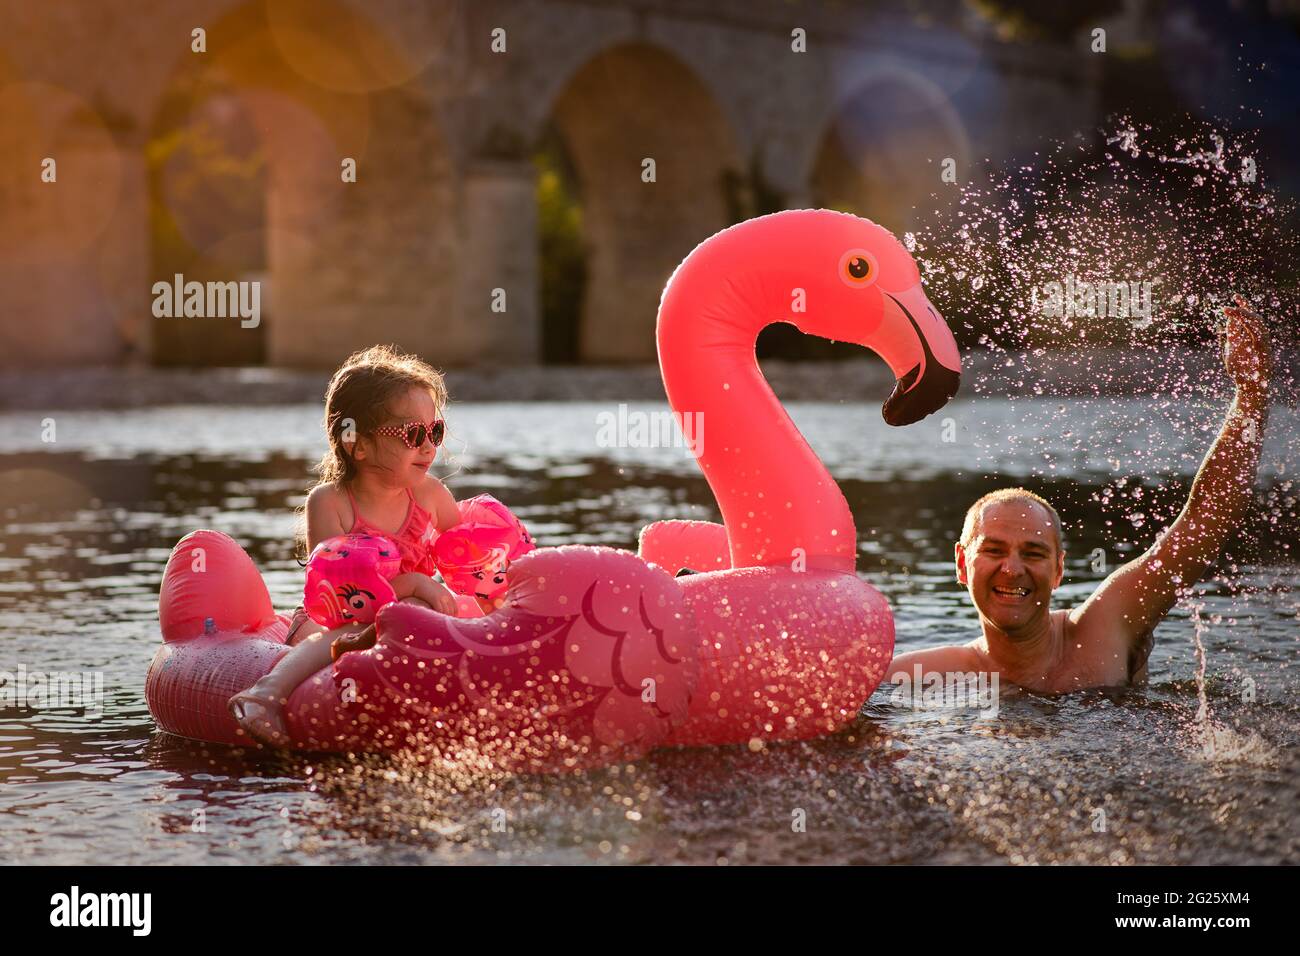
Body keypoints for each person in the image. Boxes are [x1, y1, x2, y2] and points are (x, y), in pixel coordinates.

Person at [890, 296, 1272, 692]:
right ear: (961, 563)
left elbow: (1204, 522)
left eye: (1034, 553)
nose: (1012, 568)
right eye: (993, 550)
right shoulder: (932, 675)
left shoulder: (1106, 627)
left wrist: (1251, 396)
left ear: (1058, 570)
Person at [228, 345, 462, 745]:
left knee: (429, 611)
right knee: (379, 617)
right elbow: (337, 595)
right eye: (413, 434)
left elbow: (466, 565)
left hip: (406, 620)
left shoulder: (431, 497)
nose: (429, 447)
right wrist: (415, 585)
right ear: (358, 444)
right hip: (334, 621)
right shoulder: (331, 502)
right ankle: (264, 694)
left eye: (435, 431)